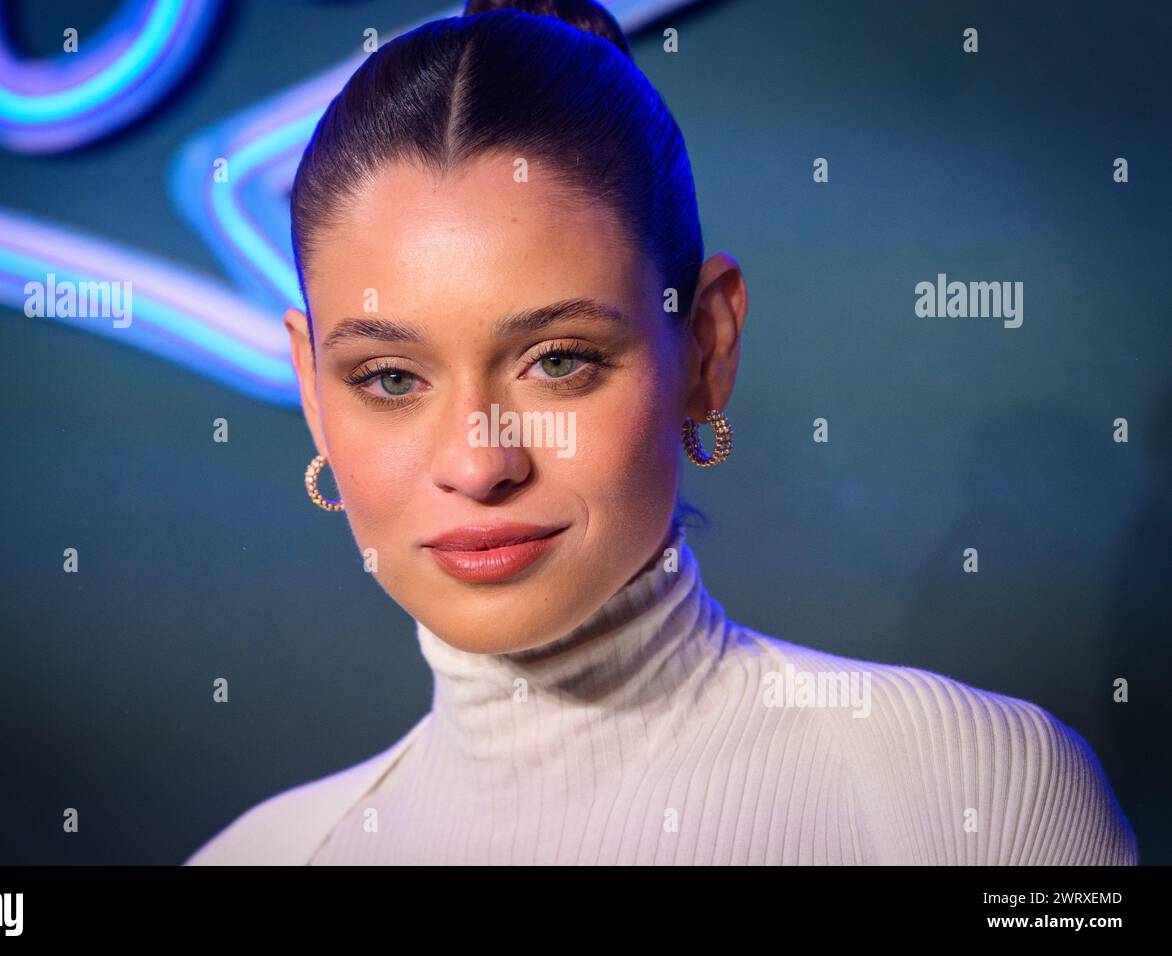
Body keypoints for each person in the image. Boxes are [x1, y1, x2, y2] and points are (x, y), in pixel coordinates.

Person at [186, 0, 1138, 865]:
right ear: (314, 389)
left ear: (707, 347)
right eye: (390, 378)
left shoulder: (977, 798)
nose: (478, 464)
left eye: (559, 361)